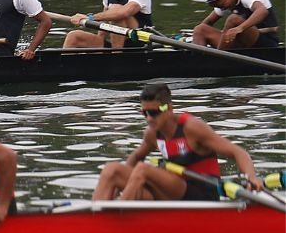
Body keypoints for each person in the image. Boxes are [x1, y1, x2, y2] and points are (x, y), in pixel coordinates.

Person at [92, 84, 263, 201]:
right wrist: (125, 185)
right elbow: (136, 157)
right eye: (145, 113)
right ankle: (96, 216)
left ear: (169, 109)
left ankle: (116, 220)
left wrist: (251, 178)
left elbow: (237, 152)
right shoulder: (152, 133)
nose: (149, 119)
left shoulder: (192, 128)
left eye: (154, 112)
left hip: (203, 192)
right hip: (172, 191)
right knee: (111, 170)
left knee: (143, 170)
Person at [192, 0, 279, 49]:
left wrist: (239, 28)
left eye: (222, 6)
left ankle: (218, 60)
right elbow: (207, 23)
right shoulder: (226, 1)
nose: (222, 9)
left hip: (265, 42)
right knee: (200, 28)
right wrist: (195, 38)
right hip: (242, 43)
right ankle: (198, 59)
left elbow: (262, 11)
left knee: (233, 19)